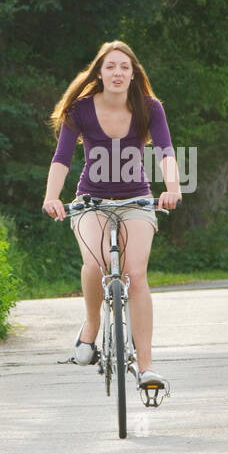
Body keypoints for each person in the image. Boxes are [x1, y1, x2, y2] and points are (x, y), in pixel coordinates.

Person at [43, 40, 181, 390]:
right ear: (99, 73)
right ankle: (92, 325)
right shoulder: (80, 110)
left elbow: (165, 151)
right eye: (110, 67)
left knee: (135, 273)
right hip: (90, 200)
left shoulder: (150, 108)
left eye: (124, 67)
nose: (118, 73)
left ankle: (147, 366)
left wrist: (173, 188)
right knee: (98, 264)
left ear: (134, 74)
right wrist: (52, 197)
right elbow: (61, 158)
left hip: (137, 199)